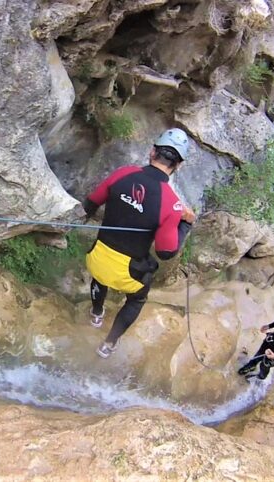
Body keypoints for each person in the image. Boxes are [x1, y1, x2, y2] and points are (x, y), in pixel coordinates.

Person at [82, 128, 196, 358]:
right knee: (137, 298)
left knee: (101, 273)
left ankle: (96, 314)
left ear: (152, 152)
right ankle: (109, 344)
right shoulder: (172, 204)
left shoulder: (123, 173)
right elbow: (165, 252)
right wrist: (186, 224)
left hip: (97, 257)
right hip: (126, 274)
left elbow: (90, 203)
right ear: (179, 165)